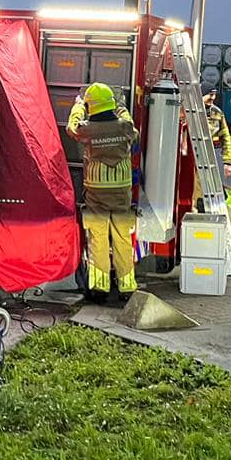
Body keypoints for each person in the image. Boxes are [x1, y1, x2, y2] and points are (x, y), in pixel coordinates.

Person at [67, 82, 140, 300]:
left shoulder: (86, 129)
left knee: (97, 239)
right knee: (123, 238)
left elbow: (72, 127)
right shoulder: (126, 128)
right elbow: (129, 122)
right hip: (121, 194)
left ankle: (99, 288)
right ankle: (127, 288)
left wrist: (79, 106)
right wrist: (120, 106)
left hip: (96, 193)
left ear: (92, 107)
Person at [203, 88, 231, 179]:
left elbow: (225, 137)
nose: (213, 98)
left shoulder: (217, 113)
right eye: (210, 94)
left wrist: (228, 162)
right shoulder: (186, 110)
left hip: (206, 157)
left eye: (214, 95)